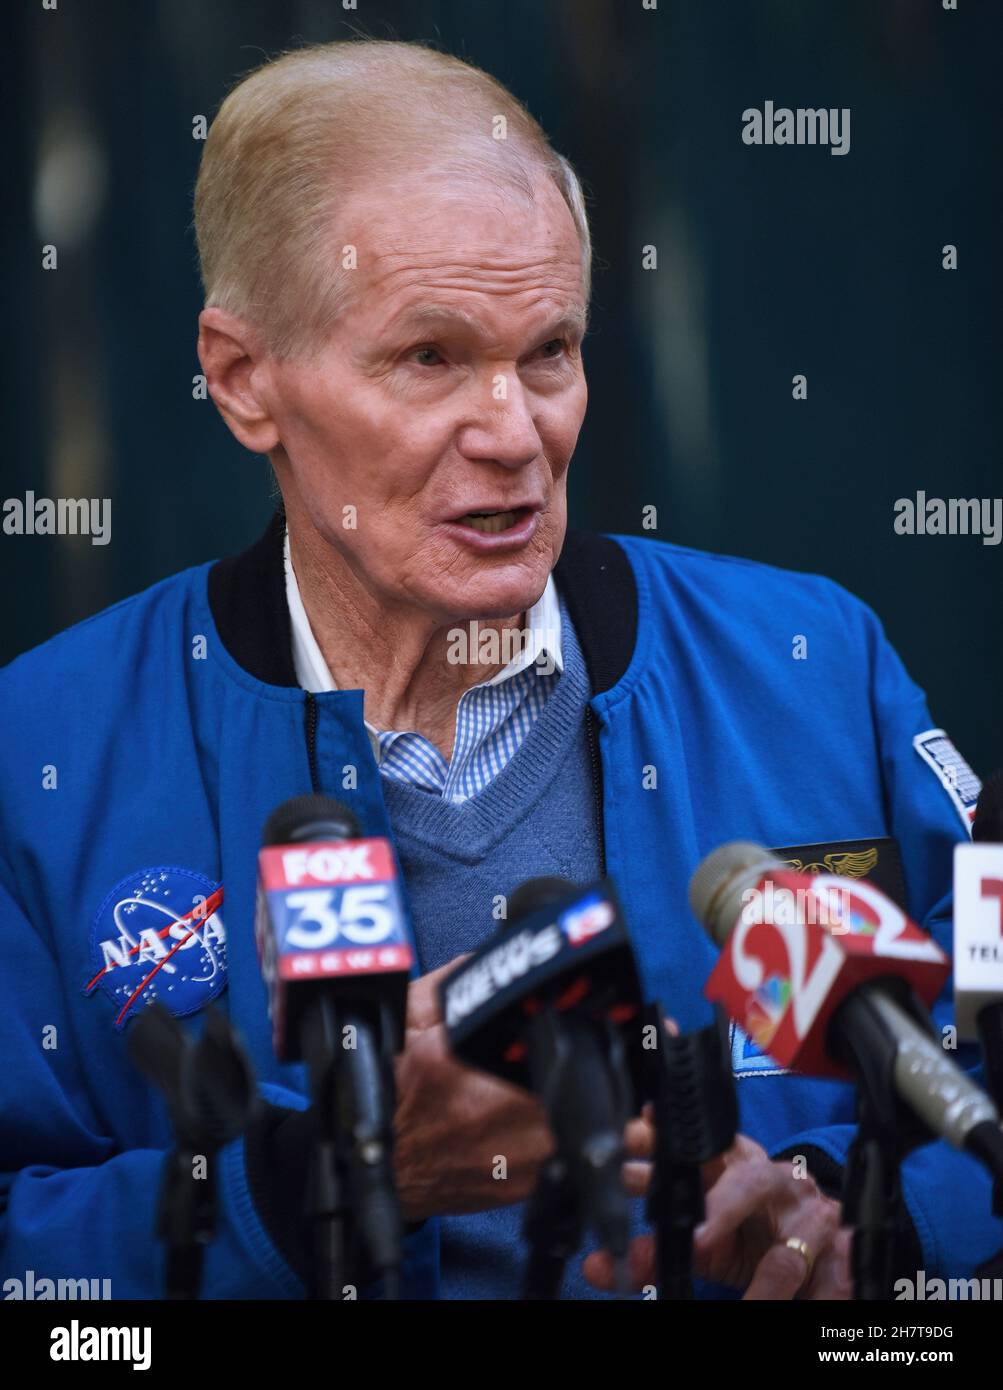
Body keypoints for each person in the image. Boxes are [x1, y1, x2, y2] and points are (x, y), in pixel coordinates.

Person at [0, 39, 997, 1301]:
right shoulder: (45, 748)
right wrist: (319, 1180)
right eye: (429, 357)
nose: (514, 432)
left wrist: (856, 1214)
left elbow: (981, 1060)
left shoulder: (811, 667)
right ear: (244, 381)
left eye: (548, 350)